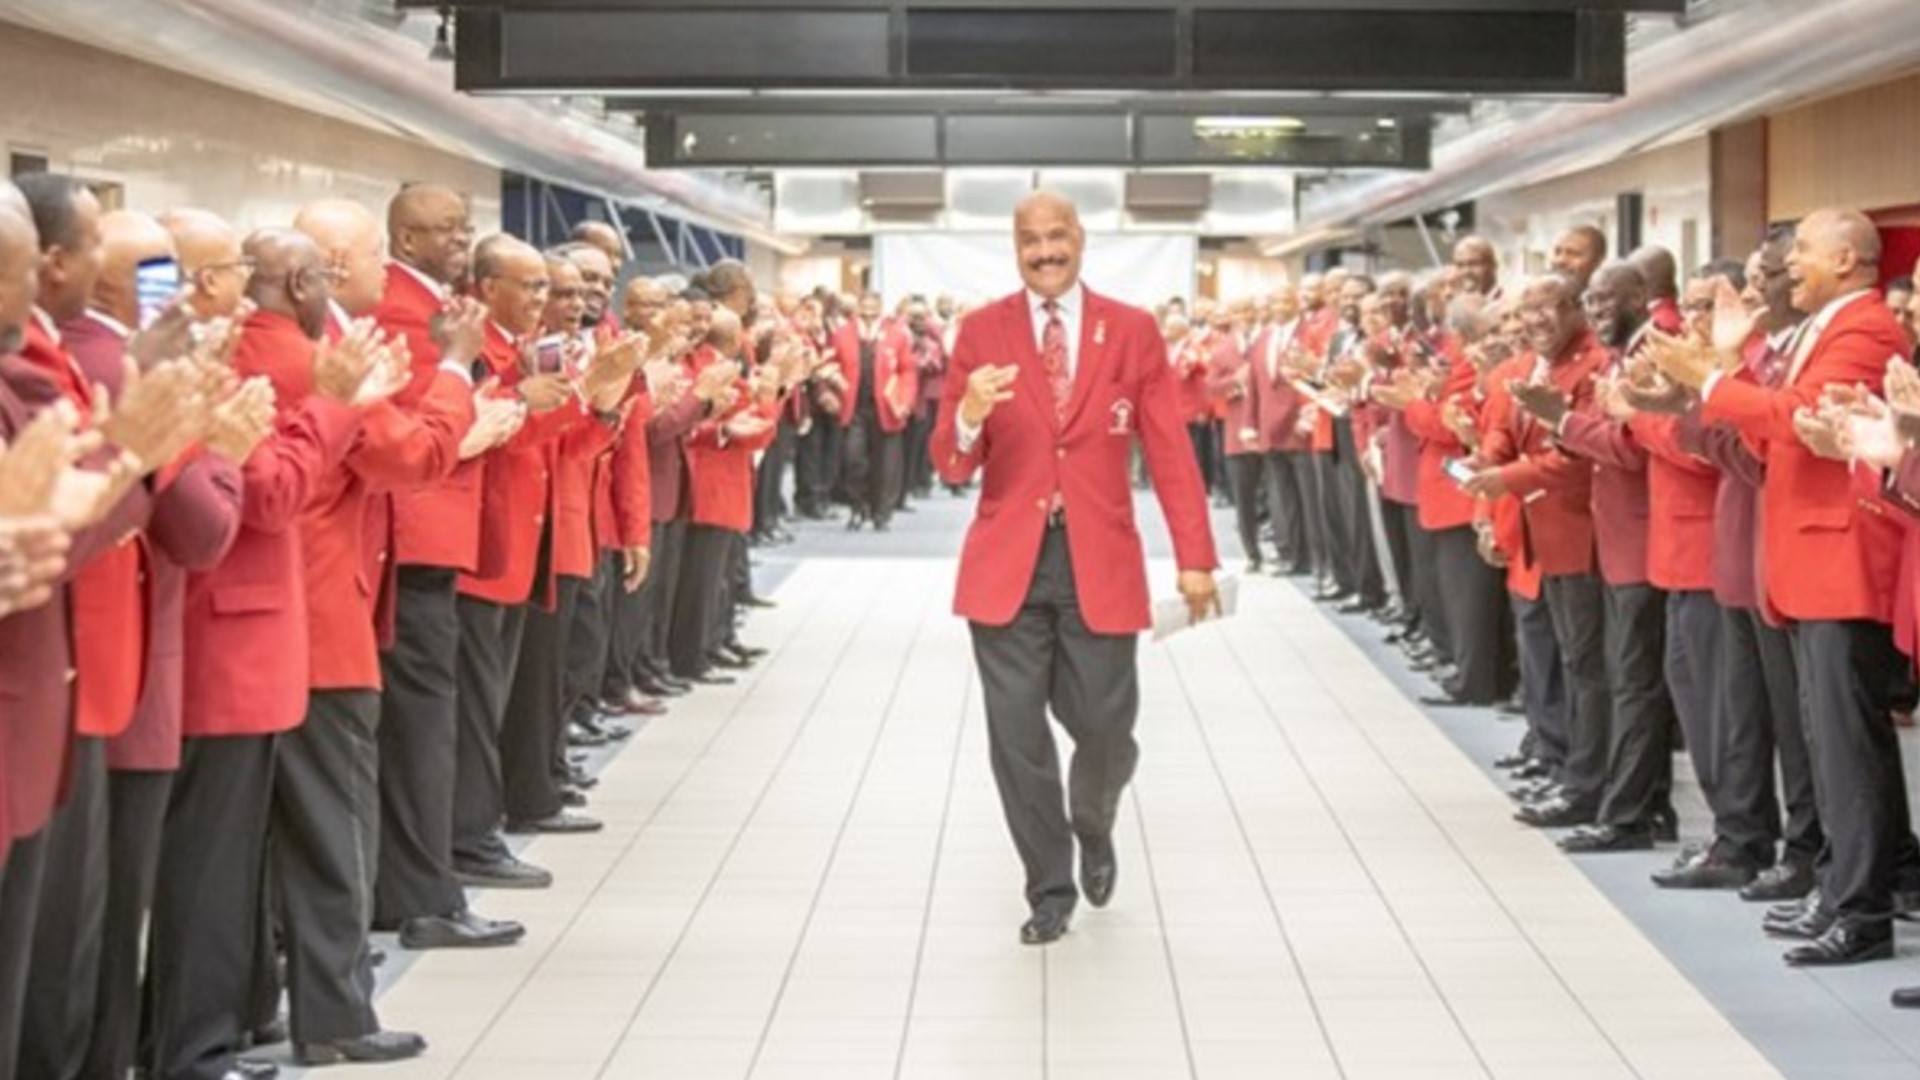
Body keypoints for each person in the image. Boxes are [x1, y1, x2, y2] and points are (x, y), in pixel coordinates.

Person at [929, 190, 1218, 945]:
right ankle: (1049, 888)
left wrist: (1196, 560)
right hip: (1008, 566)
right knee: (1017, 738)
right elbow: (951, 464)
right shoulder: (982, 330)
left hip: (1099, 557)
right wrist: (969, 414)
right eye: (1031, 239)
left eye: (1057, 237)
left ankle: (1093, 819)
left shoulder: (1131, 330)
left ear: (1081, 241)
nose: (1045, 251)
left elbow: (1169, 452)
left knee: (1104, 727)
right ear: (1015, 246)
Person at [1653, 208, 1918, 967]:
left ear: (1845, 258)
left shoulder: (1864, 328)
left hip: (1840, 562)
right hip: (1806, 563)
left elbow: (1800, 420)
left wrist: (1711, 377)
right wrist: (1729, 366)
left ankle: (1861, 910)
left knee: (1846, 746)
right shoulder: (1819, 328)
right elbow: (1777, 424)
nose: (1787, 263)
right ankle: (1844, 886)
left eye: (1801, 250)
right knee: (1827, 745)